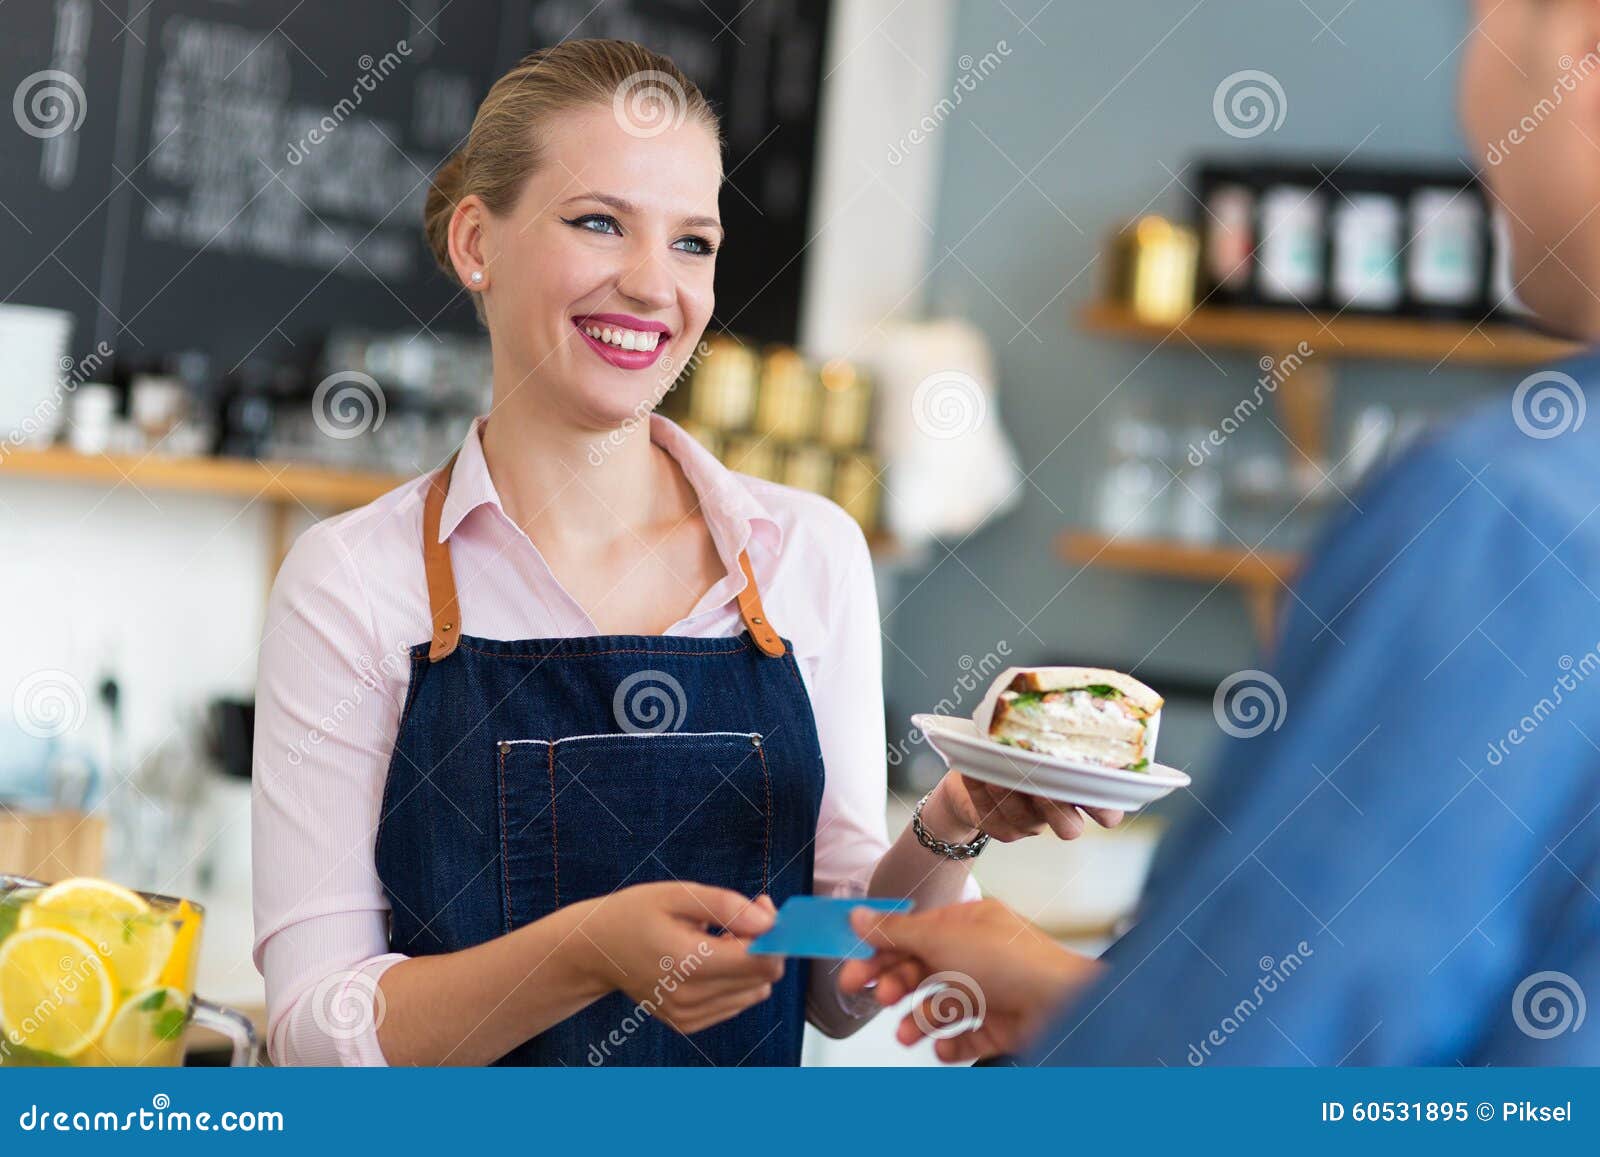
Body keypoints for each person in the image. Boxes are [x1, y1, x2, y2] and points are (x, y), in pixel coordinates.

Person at [251, 38, 1114, 1068]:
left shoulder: (807, 553)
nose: (652, 284)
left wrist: (953, 818)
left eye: (692, 243)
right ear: (478, 242)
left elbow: (837, 989)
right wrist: (582, 954)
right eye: (598, 222)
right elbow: (314, 1031)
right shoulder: (355, 578)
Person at [840, 0, 1600, 1066]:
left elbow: (1245, 1076)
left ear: (1575, 44)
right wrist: (1087, 1001)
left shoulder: (1505, 519)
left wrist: (1122, 1036)